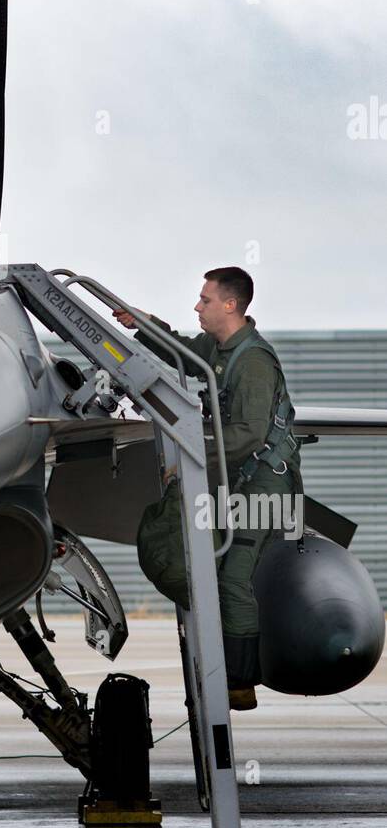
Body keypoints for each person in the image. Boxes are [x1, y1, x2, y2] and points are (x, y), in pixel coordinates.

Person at [113, 267, 303, 711]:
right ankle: (223, 667)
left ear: (231, 305)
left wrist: (191, 465)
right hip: (240, 481)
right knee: (211, 566)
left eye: (205, 300)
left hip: (265, 488)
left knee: (234, 575)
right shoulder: (217, 349)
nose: (198, 307)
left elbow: (249, 436)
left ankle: (239, 682)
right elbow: (176, 347)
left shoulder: (253, 361)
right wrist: (139, 322)